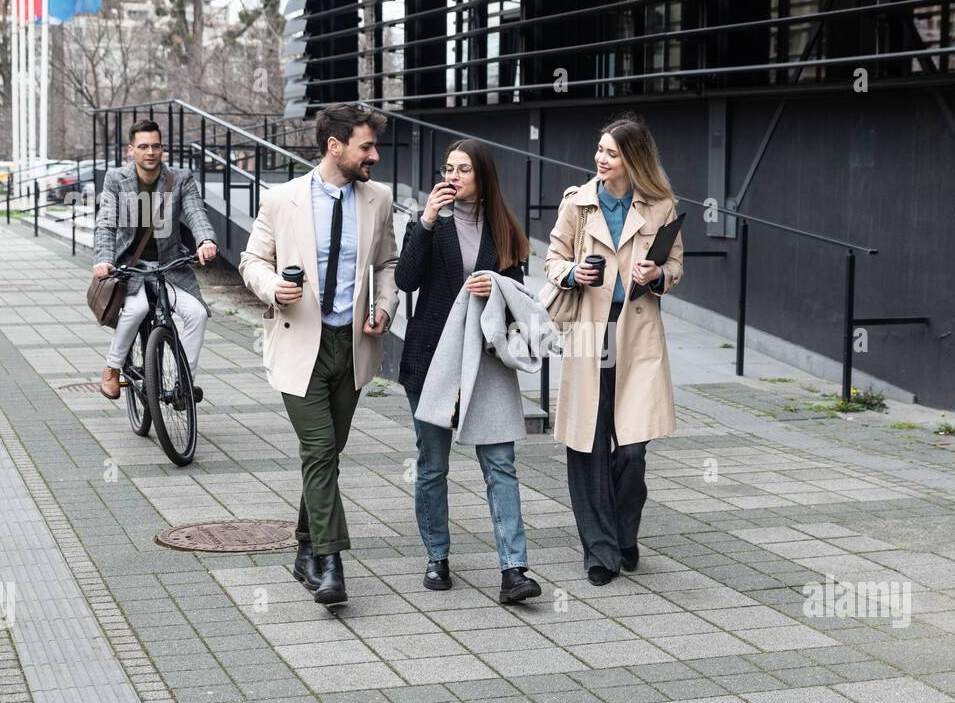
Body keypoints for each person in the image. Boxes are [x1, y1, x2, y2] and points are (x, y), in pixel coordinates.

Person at [238, 103, 399, 607]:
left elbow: (388, 263)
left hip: (352, 348)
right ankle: (331, 564)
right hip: (297, 343)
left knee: (328, 453)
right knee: (320, 450)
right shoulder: (282, 198)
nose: (375, 154)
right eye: (366, 146)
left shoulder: (378, 199)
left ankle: (305, 549)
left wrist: (385, 307)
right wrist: (271, 289)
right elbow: (251, 259)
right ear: (335, 146)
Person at [396, 139, 543, 604]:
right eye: (448, 168)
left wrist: (495, 283)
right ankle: (436, 557)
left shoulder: (506, 229)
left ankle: (513, 570)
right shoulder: (428, 224)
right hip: (430, 359)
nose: (453, 176)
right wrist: (423, 222)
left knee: (500, 464)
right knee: (432, 465)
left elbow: (517, 298)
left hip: (485, 364)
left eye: (463, 170)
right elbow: (405, 280)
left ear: (482, 176)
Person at [544, 114, 684, 586]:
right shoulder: (577, 204)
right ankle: (600, 551)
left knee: (632, 448)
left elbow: (676, 267)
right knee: (588, 442)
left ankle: (625, 532)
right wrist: (571, 274)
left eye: (610, 152)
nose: (600, 159)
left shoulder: (662, 206)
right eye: (599, 150)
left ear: (633, 160)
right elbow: (552, 260)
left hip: (638, 333)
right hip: (588, 330)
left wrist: (656, 276)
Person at [93, 119, 218, 401]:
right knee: (135, 311)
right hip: (131, 268)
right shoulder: (116, 179)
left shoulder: (180, 179)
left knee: (196, 314)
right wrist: (103, 259)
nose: (150, 152)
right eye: (143, 146)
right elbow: (106, 224)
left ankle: (183, 382)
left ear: (162, 149)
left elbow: (196, 213)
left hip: (170, 268)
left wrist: (205, 241)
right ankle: (112, 368)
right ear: (131, 150)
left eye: (156, 146)